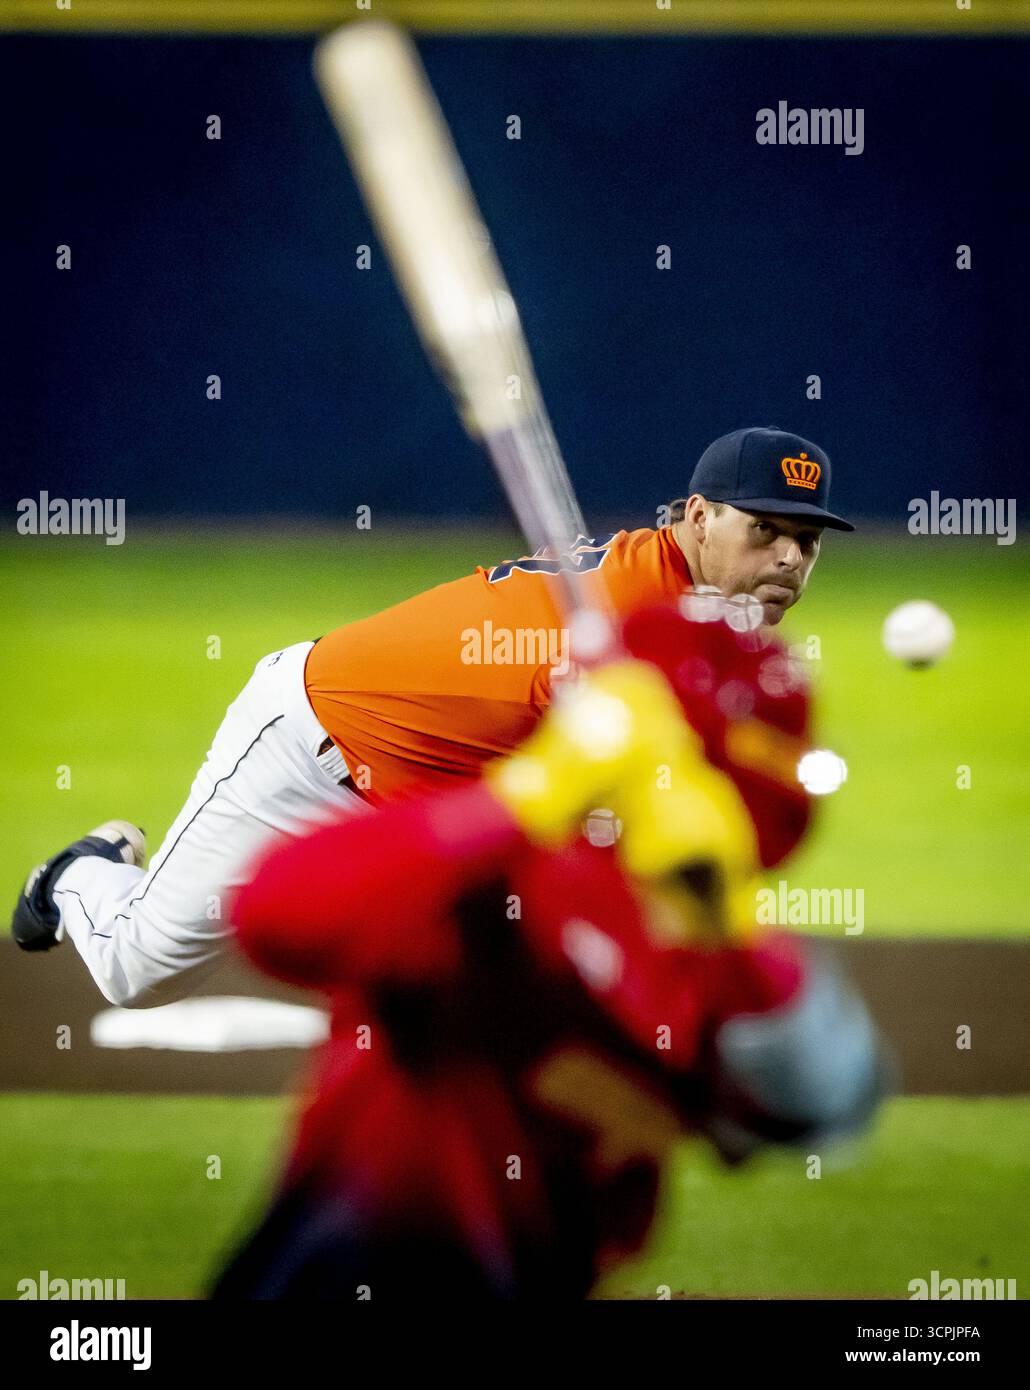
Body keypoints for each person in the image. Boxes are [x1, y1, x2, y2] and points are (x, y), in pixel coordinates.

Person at [11, 427, 852, 1010]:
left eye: (805, 543)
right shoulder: (633, 611)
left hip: (432, 785)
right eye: (765, 530)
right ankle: (76, 874)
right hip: (315, 738)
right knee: (137, 970)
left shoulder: (682, 615)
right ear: (699, 518)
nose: (786, 557)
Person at [212, 598, 884, 1301]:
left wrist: (731, 919)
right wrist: (533, 793)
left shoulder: (712, 952)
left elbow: (826, 1103)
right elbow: (271, 914)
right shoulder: (495, 882)